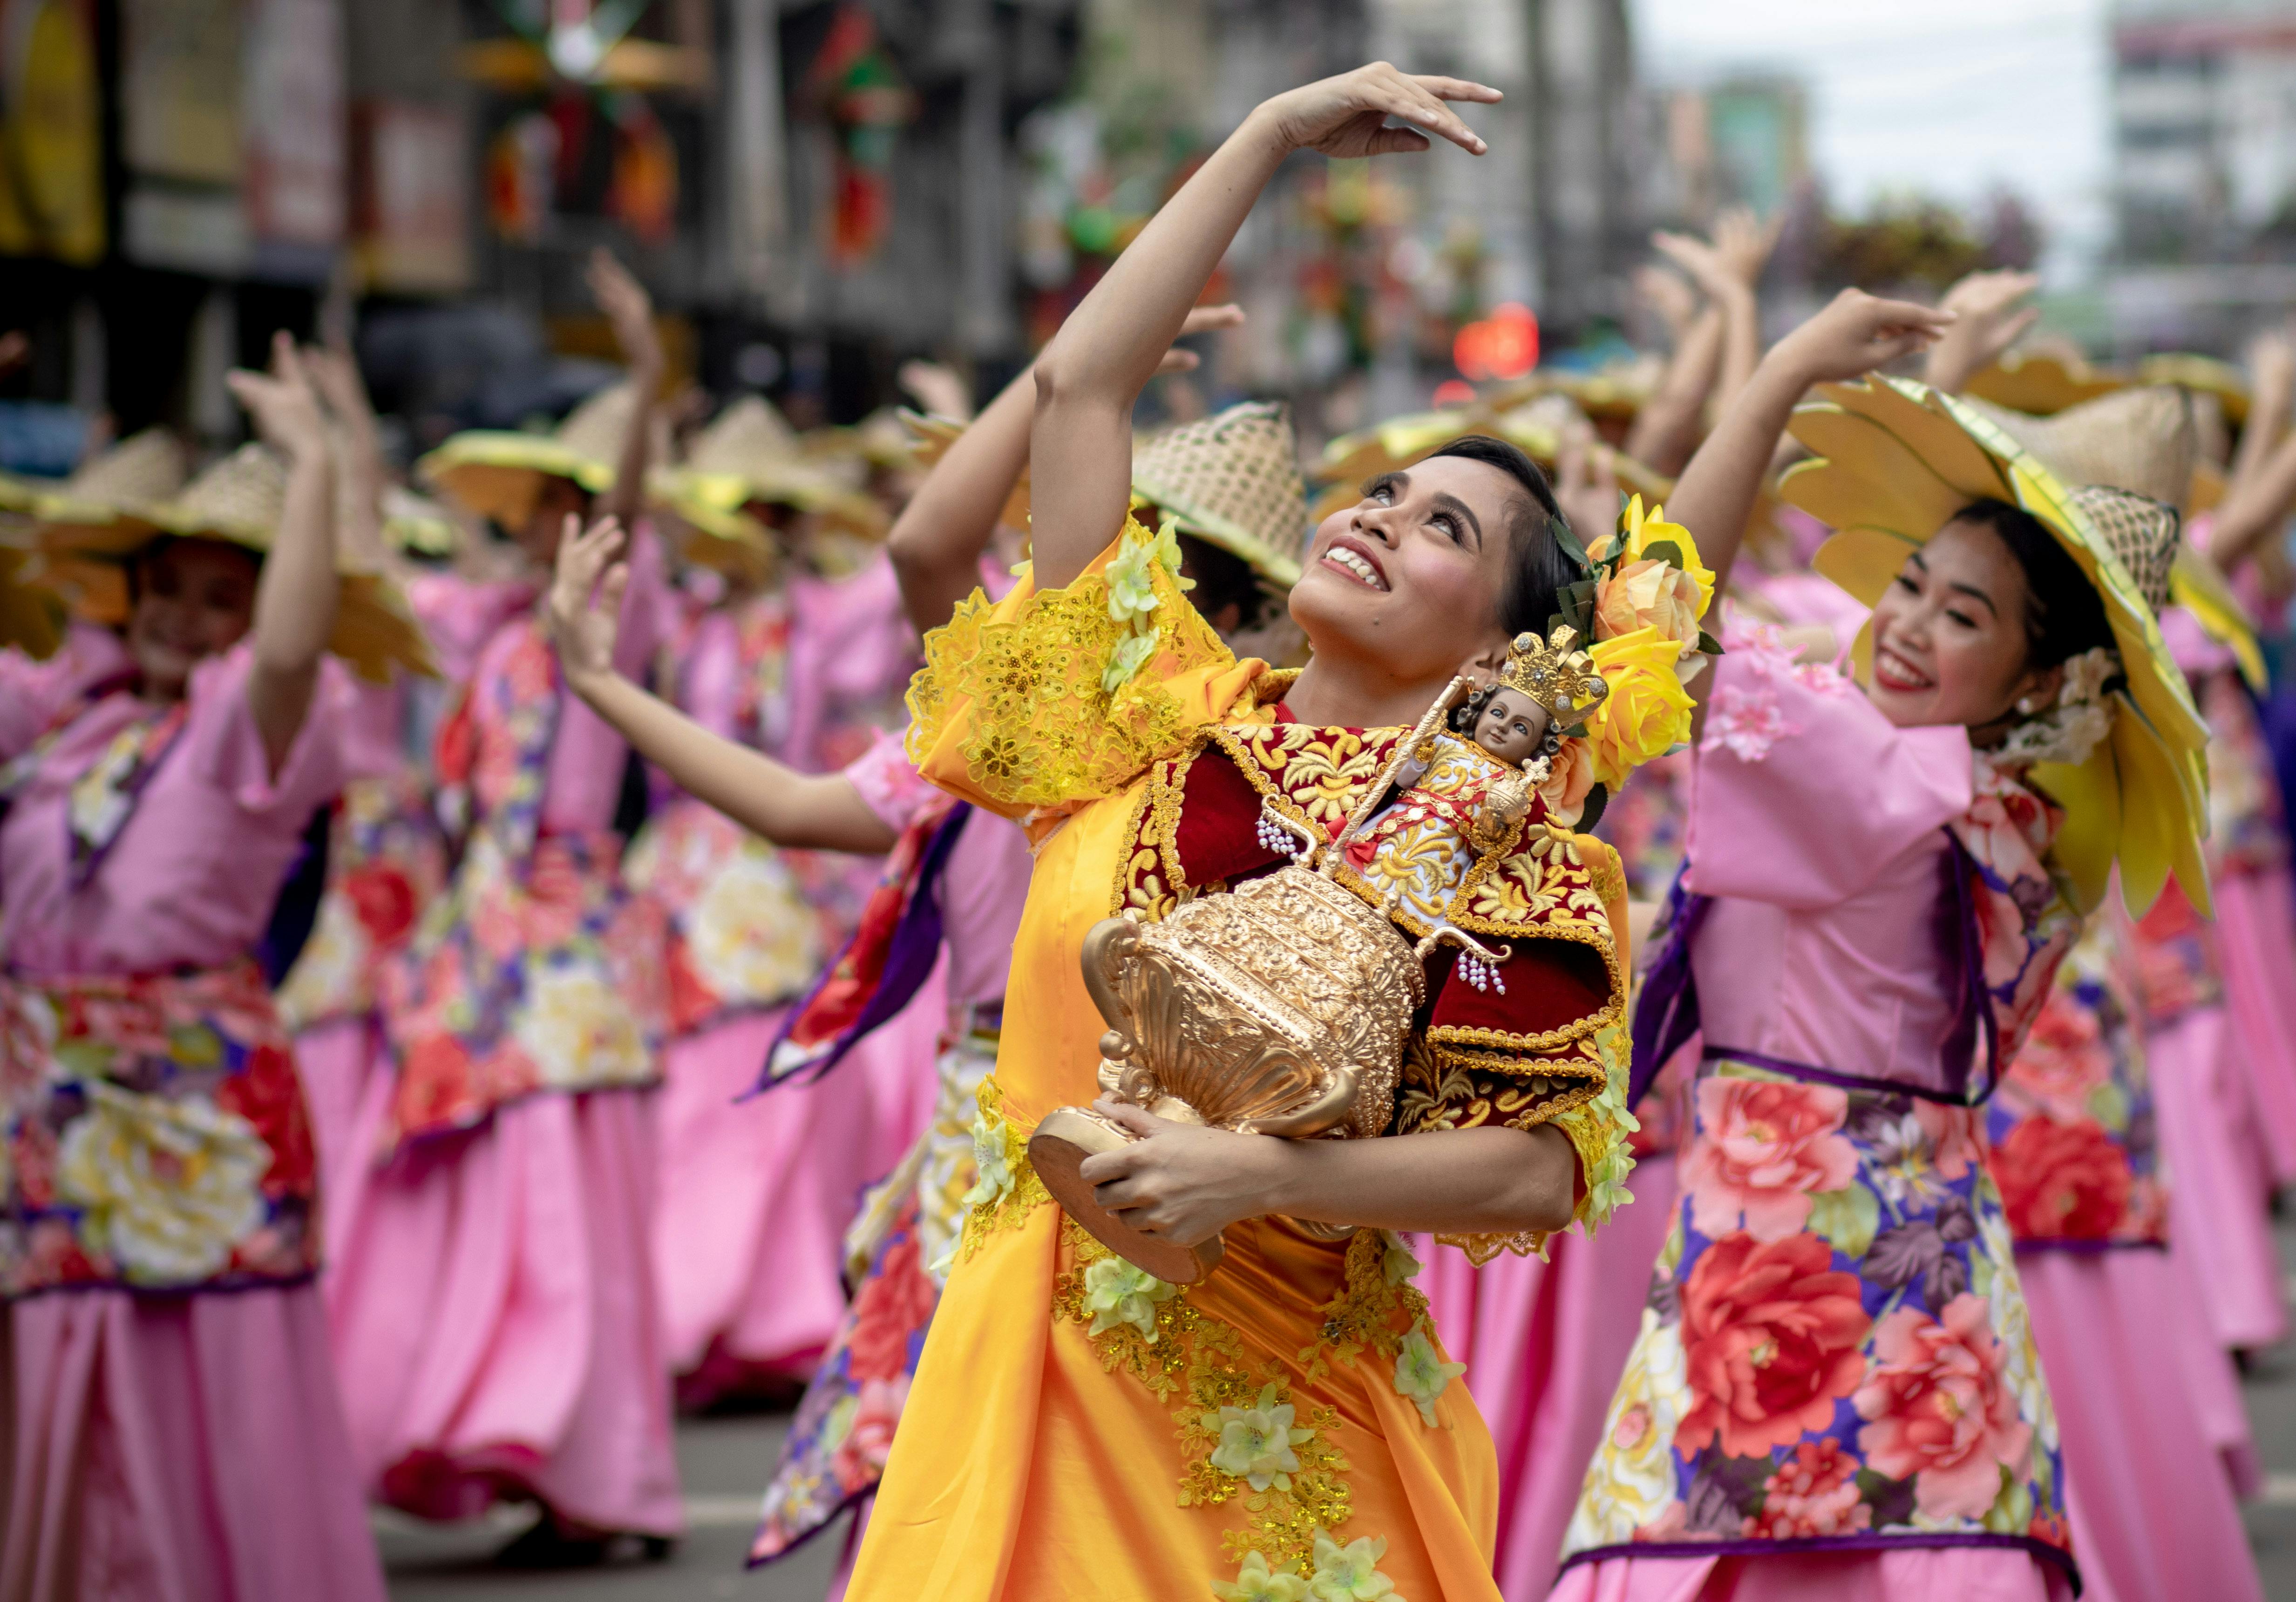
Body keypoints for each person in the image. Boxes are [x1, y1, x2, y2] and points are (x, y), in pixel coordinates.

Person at [568, 62, 1692, 1602]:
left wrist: (1261, 1177)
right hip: (1029, 1358)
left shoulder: (1516, 852)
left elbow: (1544, 1169)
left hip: (1286, 1412)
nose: (1374, 516)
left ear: (1496, 659)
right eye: (1381, 492)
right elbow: (1079, 396)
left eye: (1445, 529)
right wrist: (1270, 135)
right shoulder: (1148, 711)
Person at [1555, 297, 2211, 1599]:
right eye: (1909, 583)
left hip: (1788, 1228)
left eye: (1963, 617)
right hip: (1917, 1238)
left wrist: (1783, 368)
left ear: (2036, 678)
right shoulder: (2015, 807)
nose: (1908, 622)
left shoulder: (1880, 778)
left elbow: (1647, 625)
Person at [0, 337, 416, 1601]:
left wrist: (311, 465)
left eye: (218, 597)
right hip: (47, 1101)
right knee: (61, 1378)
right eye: (163, 587)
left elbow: (290, 650)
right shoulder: (66, 718)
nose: (186, 614)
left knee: (212, 1388)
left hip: (198, 1107)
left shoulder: (255, 723)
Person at [322, 249, 688, 1565]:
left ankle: (590, 1472)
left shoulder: (612, 621)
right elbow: (362, 562)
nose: (551, 532)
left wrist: (646, 386)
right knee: (485, 1201)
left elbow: (632, 522)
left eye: (570, 512)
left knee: (566, 1217)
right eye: (540, 512)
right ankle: (500, 1435)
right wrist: (340, 443)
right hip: (483, 955)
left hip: (576, 947)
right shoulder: (490, 633)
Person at [632, 392, 935, 1408]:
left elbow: (922, 567)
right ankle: (691, 1313)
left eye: (765, 515)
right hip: (680, 881)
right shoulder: (684, 620)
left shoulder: (823, 621)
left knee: (772, 1100)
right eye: (731, 514)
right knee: (692, 1107)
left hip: (785, 870)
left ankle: (757, 1312)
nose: (742, 536)